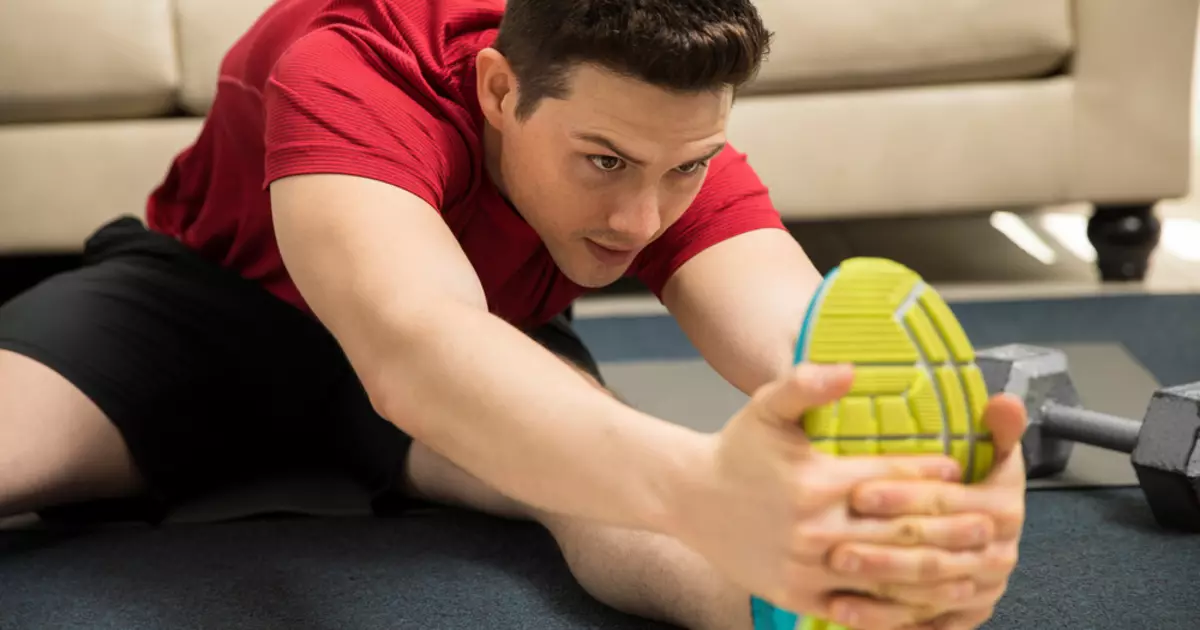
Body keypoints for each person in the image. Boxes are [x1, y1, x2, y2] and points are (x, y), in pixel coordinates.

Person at [0, 0, 1028, 628]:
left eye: (686, 169)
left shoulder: (656, 137)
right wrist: (701, 482)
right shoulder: (352, 60)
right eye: (603, 163)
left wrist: (910, 502)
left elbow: (801, 337)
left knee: (601, 488)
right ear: (499, 88)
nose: (641, 217)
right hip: (198, 317)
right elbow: (415, 344)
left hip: (486, 349)